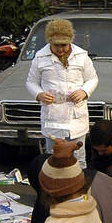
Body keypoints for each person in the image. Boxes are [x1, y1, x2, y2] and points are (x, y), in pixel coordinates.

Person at [25, 18, 98, 161]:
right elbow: (31, 82)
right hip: (53, 116)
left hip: (76, 115)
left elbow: (92, 79)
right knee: (54, 157)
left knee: (78, 157)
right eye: (56, 45)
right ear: (49, 42)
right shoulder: (40, 58)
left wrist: (84, 91)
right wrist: (39, 94)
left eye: (64, 45)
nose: (60, 49)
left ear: (70, 41)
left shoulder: (81, 56)